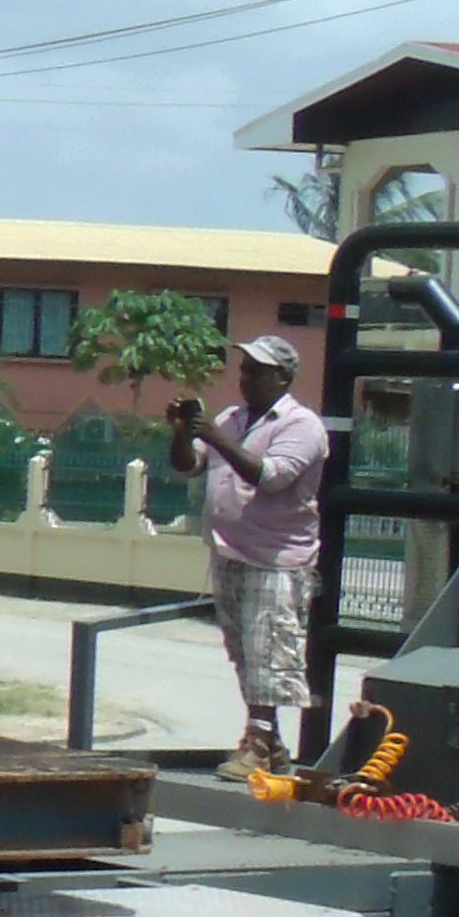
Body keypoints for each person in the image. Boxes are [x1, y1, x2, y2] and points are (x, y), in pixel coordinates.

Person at [170, 330, 331, 773]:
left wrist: (217, 437)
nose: (245, 379)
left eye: (257, 372)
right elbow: (188, 465)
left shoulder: (301, 426)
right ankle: (266, 739)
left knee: (270, 648)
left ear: (283, 378)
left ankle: (259, 744)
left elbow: (272, 477)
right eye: (243, 370)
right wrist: (184, 434)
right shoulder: (234, 418)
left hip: (276, 558)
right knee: (245, 652)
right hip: (230, 552)